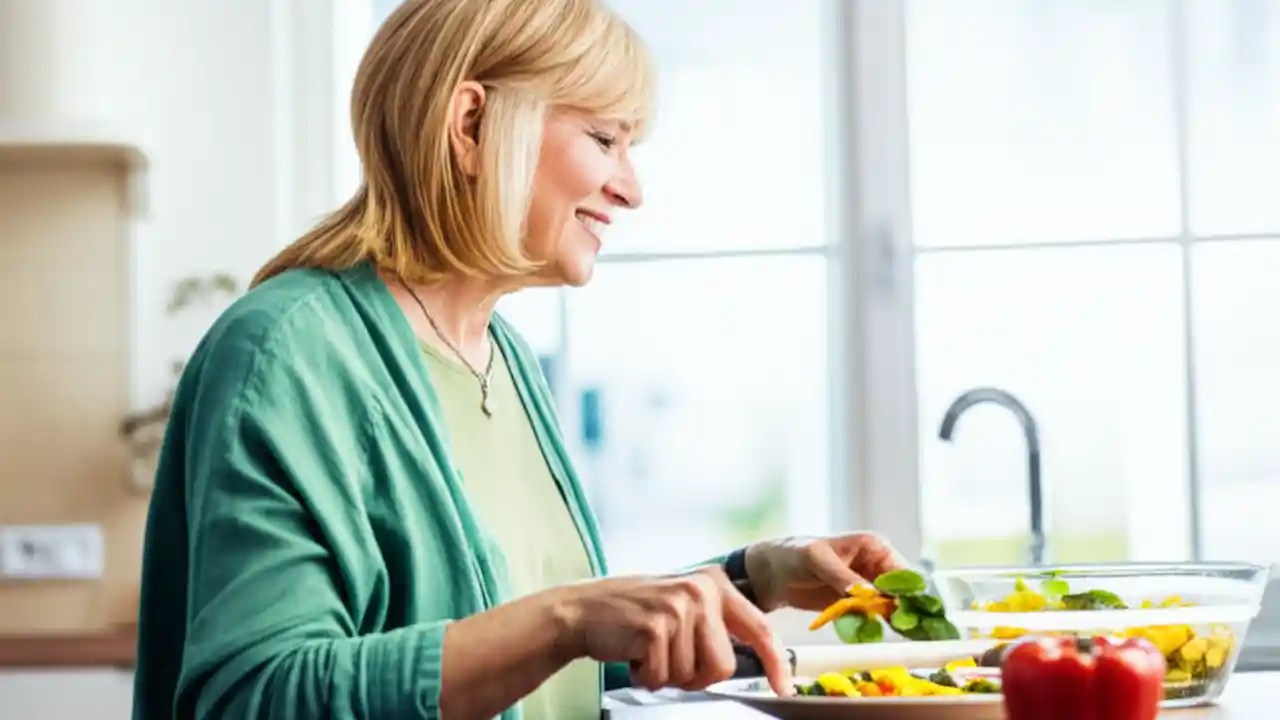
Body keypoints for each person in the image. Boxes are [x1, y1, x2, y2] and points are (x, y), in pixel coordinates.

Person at [131, 1, 908, 718]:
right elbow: (253, 697)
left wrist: (754, 575)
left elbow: (544, 667)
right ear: (471, 125)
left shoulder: (501, 357)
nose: (630, 188)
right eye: (604, 139)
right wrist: (565, 620)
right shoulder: (290, 351)